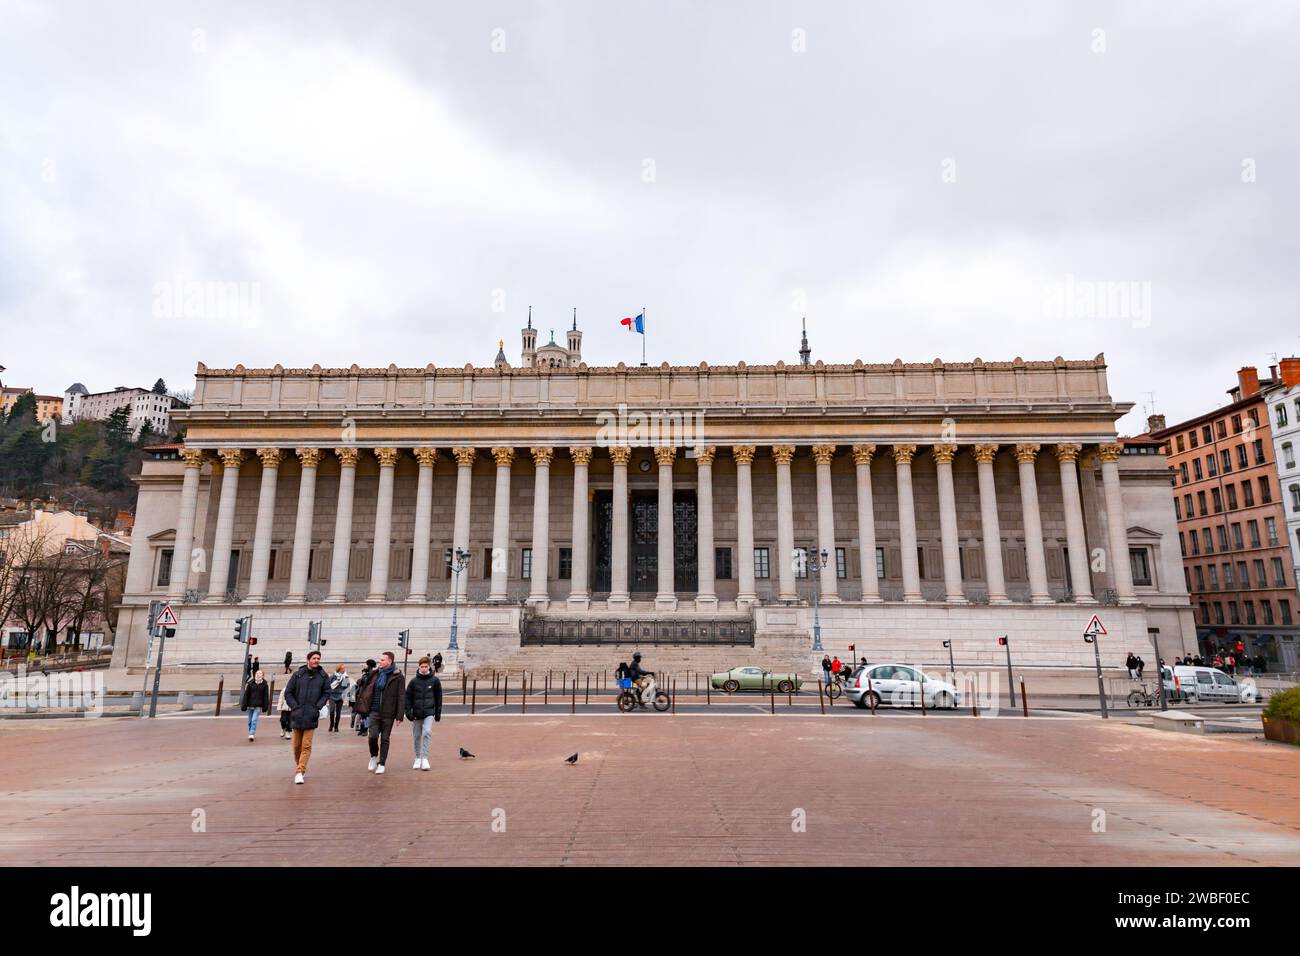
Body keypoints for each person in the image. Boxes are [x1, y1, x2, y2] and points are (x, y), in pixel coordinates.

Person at [284, 649, 331, 785]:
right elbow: (288, 692)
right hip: (297, 714)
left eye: (318, 658)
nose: (316, 660)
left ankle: (300, 771)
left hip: (311, 715)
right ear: (308, 659)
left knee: (306, 745)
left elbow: (326, 692)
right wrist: (295, 706)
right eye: (314, 658)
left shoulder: (323, 676)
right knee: (296, 746)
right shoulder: (298, 675)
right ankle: (300, 765)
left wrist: (318, 706)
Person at [356, 651, 405, 774]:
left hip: (389, 712)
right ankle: (373, 756)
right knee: (372, 736)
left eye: (382, 660)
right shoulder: (375, 674)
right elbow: (365, 691)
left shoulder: (398, 676)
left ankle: (382, 763)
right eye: (380, 660)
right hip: (373, 711)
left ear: (390, 661)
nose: (380, 662)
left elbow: (401, 696)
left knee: (385, 738)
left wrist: (399, 715)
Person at [405, 656, 443, 771]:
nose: (424, 669)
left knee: (427, 732)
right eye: (422, 667)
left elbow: (438, 697)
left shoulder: (435, 681)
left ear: (429, 667)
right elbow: (408, 698)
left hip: (429, 712)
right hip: (416, 713)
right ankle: (417, 758)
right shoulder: (413, 681)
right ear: (419, 667)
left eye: (426, 666)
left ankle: (425, 758)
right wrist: (408, 712)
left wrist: (438, 713)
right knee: (417, 736)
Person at [239, 669, 270, 741]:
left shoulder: (265, 685)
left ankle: (252, 733)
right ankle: (250, 732)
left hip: (258, 705)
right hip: (250, 704)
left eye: (260, 673)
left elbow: (266, 696)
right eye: (257, 673)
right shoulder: (250, 684)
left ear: (263, 676)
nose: (258, 674)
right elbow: (246, 695)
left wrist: (265, 706)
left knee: (254, 719)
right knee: (250, 721)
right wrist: (244, 705)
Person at [352, 659, 376, 735]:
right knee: (362, 715)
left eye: (366, 664)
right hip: (362, 696)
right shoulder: (366, 673)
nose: (364, 666)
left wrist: (362, 679)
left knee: (366, 716)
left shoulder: (371, 674)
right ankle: (362, 729)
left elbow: (366, 683)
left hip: (367, 698)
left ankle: (365, 730)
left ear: (369, 665)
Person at [327, 664, 351, 733]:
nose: (344, 669)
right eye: (343, 668)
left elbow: (346, 687)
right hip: (332, 696)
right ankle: (331, 724)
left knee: (338, 712)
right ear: (339, 669)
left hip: (340, 696)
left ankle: (336, 726)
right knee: (331, 711)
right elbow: (328, 686)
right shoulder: (332, 677)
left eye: (344, 668)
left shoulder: (345, 677)